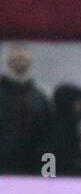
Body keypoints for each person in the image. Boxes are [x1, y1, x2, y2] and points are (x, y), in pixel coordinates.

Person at [0, 45, 50, 173]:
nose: (20, 64)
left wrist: (47, 172)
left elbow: (46, 137)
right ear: (8, 64)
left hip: (30, 164)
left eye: (24, 60)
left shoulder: (39, 98)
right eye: (16, 60)